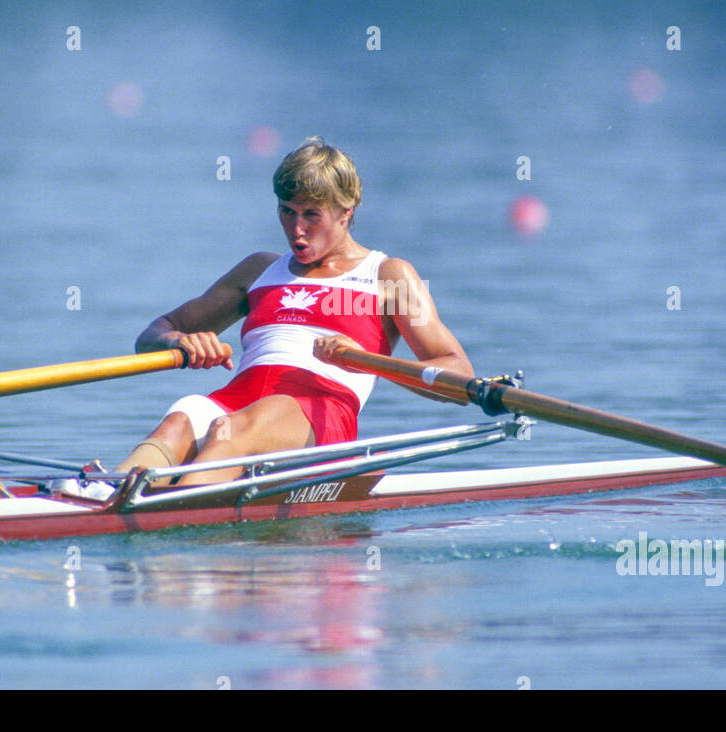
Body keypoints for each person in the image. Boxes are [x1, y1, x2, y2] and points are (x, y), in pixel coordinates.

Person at [115, 137, 473, 489]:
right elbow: (151, 335)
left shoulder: (387, 276)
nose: (296, 230)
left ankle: (168, 510)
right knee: (181, 418)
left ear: (346, 212)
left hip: (318, 413)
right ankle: (101, 495)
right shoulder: (258, 270)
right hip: (237, 401)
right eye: (287, 211)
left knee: (229, 430)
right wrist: (180, 340)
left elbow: (460, 375)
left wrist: (368, 361)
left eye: (311, 215)